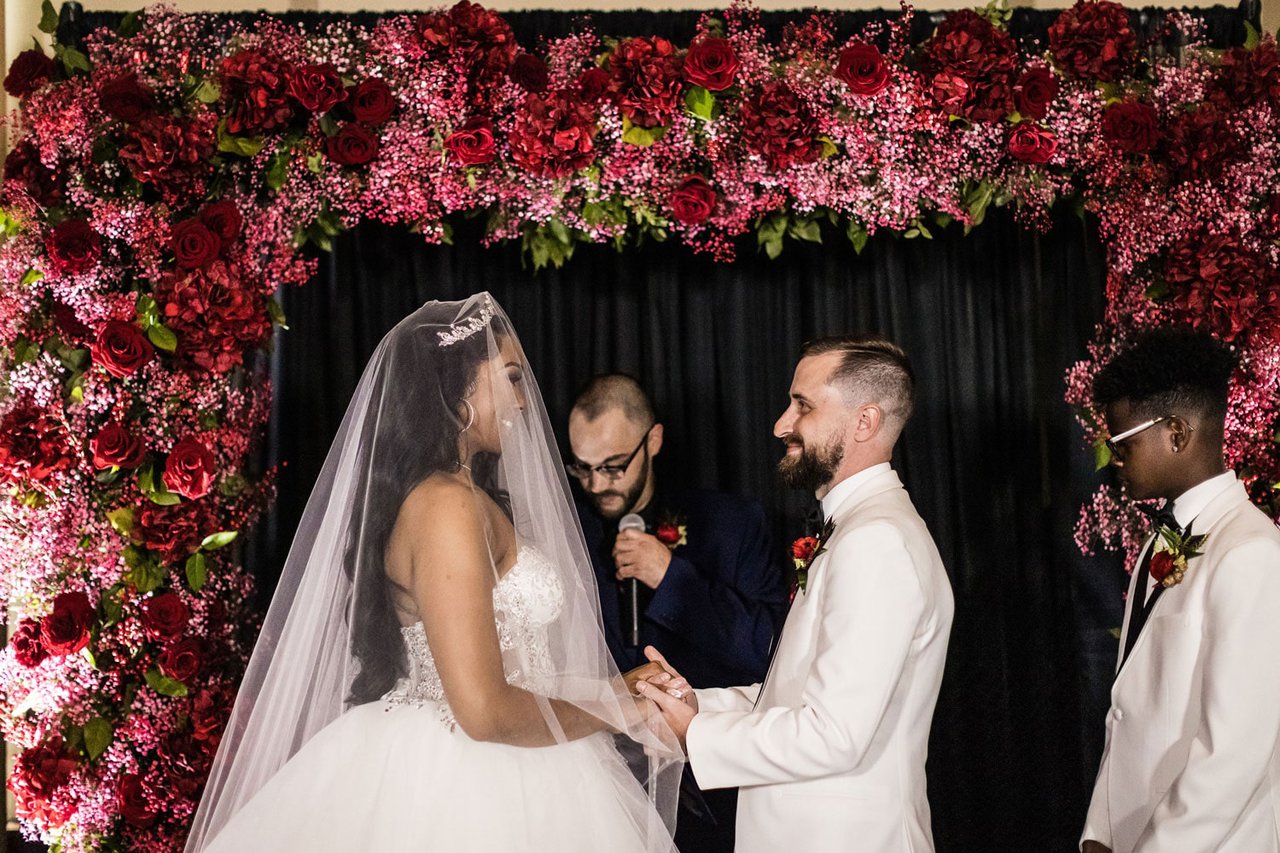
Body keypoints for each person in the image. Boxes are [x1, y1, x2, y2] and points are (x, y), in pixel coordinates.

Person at [185, 294, 680, 852]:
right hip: (471, 782)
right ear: (457, 390)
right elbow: (484, 710)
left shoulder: (459, 497)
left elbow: (516, 673)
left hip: (517, 758)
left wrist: (613, 689)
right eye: (512, 378)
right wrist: (617, 712)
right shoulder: (446, 508)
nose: (524, 401)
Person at [638, 336, 954, 853]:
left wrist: (696, 734)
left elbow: (834, 734)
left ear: (864, 422)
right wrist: (698, 705)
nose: (781, 424)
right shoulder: (857, 529)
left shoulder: (878, 541)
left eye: (802, 405)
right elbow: (798, 695)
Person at [566, 374, 788, 852]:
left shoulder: (731, 524)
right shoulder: (566, 534)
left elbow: (770, 654)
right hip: (598, 789)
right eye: (582, 469)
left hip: (714, 791)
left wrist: (673, 578)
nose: (597, 484)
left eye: (613, 466)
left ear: (654, 441)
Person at [1080, 327, 1280, 853]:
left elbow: (1233, 751)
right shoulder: (1162, 541)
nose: (1113, 460)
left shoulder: (1251, 551)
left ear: (1176, 432)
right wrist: (1101, 832)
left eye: (1121, 443)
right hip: (1133, 828)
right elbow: (1131, 705)